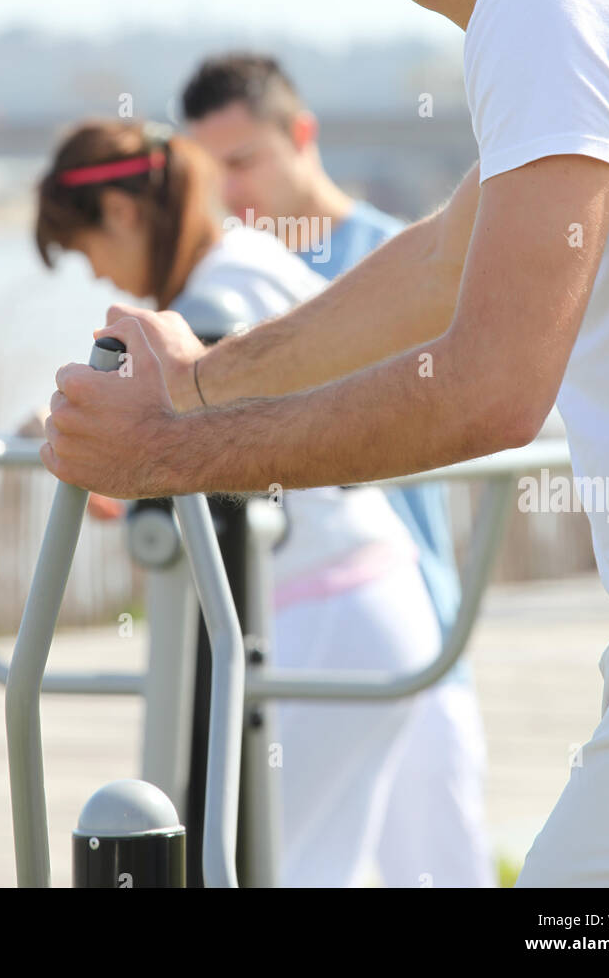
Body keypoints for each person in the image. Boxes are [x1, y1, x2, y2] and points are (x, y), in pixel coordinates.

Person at [41, 0, 609, 887]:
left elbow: (486, 388)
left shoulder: (542, 5)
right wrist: (197, 378)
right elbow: (437, 259)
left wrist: (164, 456)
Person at [34, 116, 443, 887]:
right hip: (366, 595)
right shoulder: (250, 260)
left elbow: (190, 424)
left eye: (84, 249)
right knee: (317, 865)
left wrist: (86, 442)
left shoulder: (215, 299)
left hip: (323, 610)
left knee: (267, 870)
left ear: (121, 214)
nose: (94, 275)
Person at [180, 50, 493, 887]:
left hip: (418, 613)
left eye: (245, 160)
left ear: (301, 135)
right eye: (213, 172)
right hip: (292, 634)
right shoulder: (222, 282)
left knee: (442, 872)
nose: (233, 189)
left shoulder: (405, 261)